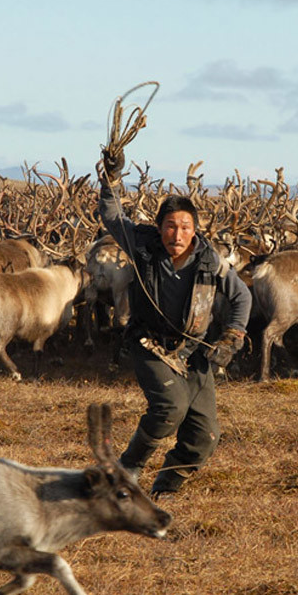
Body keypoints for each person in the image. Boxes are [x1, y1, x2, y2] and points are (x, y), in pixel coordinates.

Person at [97, 148, 252, 498]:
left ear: (194, 230)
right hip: (150, 345)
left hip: (194, 353)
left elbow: (242, 297)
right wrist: (111, 179)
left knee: (204, 437)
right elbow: (111, 214)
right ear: (159, 227)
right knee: (169, 409)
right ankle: (128, 469)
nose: (176, 235)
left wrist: (233, 335)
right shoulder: (142, 245)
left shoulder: (210, 261)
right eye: (170, 226)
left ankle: (165, 487)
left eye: (184, 227)